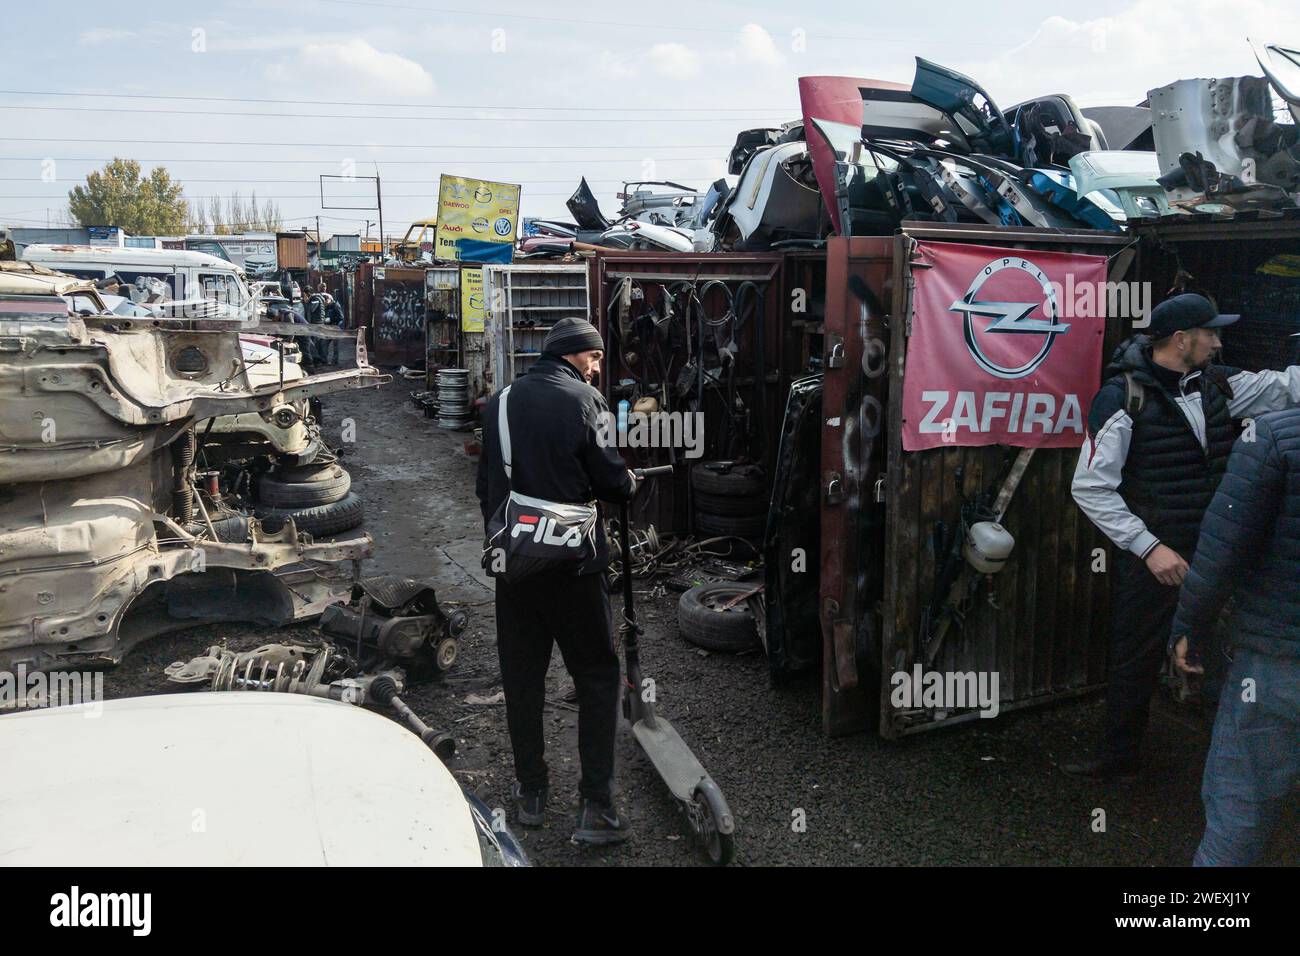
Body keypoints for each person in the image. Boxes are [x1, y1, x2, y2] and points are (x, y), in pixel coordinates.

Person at [1068, 293, 1300, 779]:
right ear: (1181, 339)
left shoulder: (1220, 381)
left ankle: (1227, 763)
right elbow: (1090, 487)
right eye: (1210, 333)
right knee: (1135, 655)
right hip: (1157, 553)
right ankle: (1118, 761)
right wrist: (1149, 547)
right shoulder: (1122, 397)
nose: (1218, 342)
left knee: (1227, 648)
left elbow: (1284, 389)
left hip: (1217, 550)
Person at [475, 317, 637, 845]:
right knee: (595, 676)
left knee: (522, 679)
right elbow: (612, 481)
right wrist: (627, 481)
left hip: (515, 569)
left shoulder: (499, 403)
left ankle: (532, 792)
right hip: (575, 570)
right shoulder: (585, 400)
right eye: (593, 357)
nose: (597, 366)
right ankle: (597, 808)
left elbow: (486, 488)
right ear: (574, 355)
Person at [1170, 408, 1300, 865]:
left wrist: (1189, 630)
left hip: (1277, 659)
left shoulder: (1276, 437)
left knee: (1240, 808)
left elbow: (1221, 550)